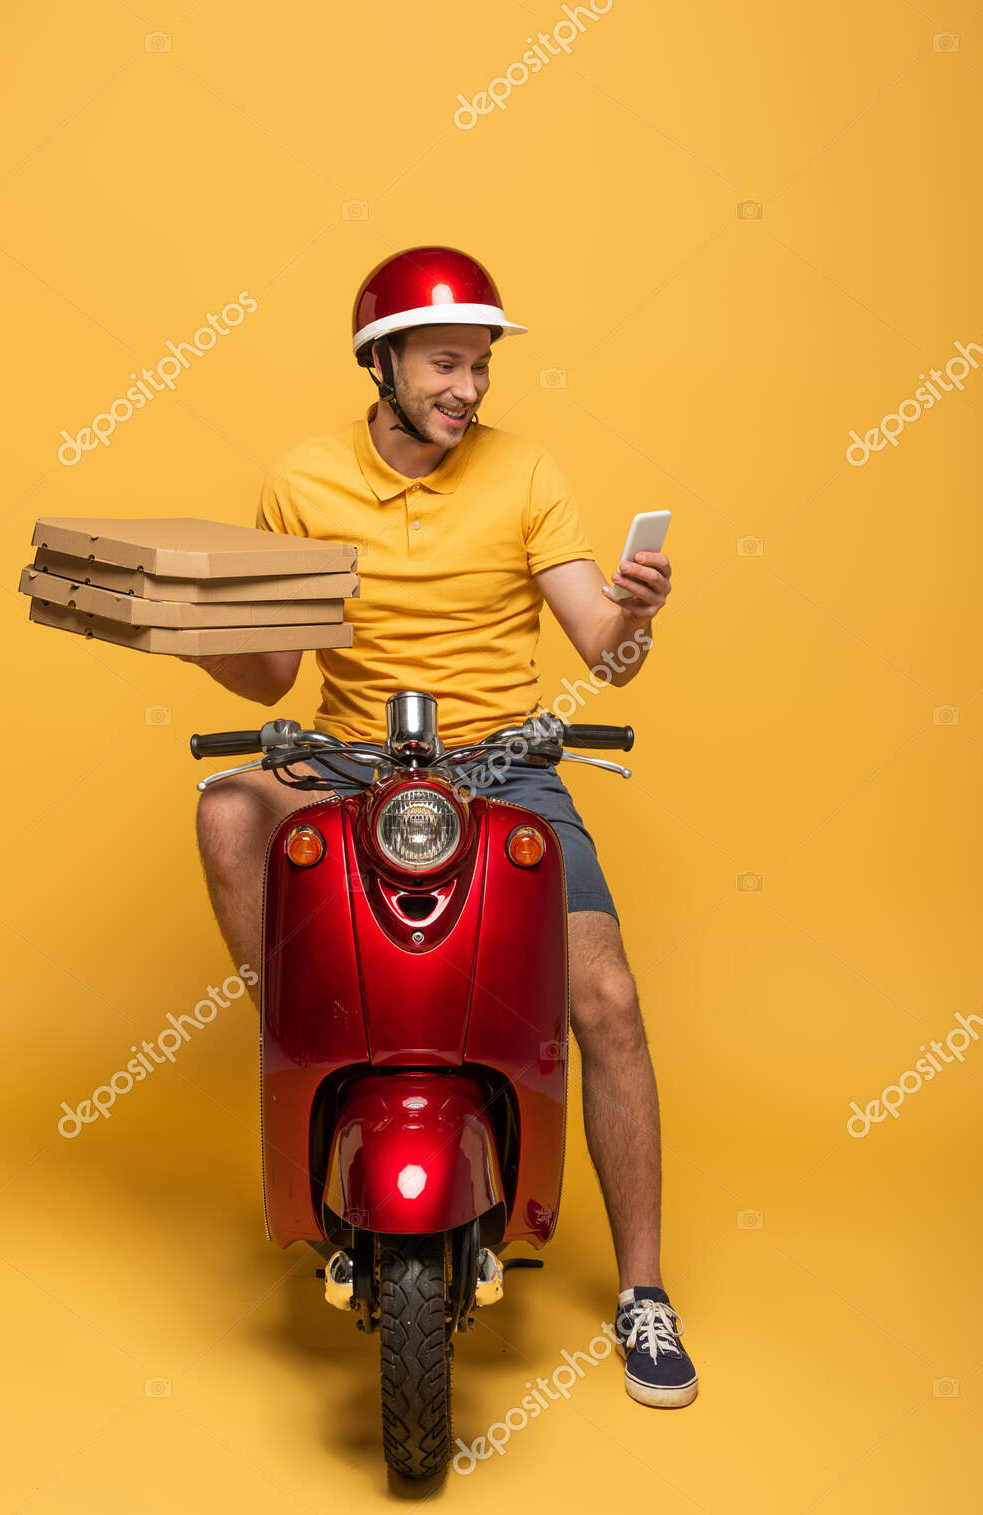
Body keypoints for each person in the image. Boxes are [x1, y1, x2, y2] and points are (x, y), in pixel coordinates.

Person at [189, 245, 697, 1409]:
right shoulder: (302, 480)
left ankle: (644, 1292)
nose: (468, 387)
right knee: (226, 811)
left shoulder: (527, 475)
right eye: (445, 363)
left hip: (502, 765)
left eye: (480, 365)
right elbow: (269, 674)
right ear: (383, 362)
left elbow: (602, 657)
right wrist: (194, 628)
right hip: (342, 761)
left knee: (608, 999)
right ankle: (317, 1043)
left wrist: (637, 616)